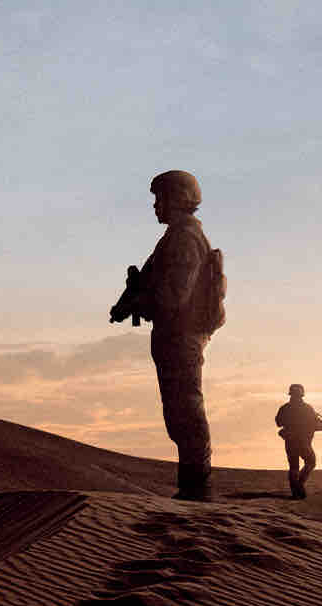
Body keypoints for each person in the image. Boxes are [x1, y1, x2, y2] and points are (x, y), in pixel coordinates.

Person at [110, 170, 217, 501]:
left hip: (182, 336)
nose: (156, 206)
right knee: (178, 411)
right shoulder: (175, 237)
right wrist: (129, 302)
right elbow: (152, 283)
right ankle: (193, 486)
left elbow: (173, 296)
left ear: (179, 199)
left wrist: (139, 302)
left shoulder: (185, 238)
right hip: (174, 335)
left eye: (161, 198)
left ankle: (197, 488)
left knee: (186, 410)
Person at [275, 384, 322, 499]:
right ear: (302, 394)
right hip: (303, 442)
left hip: (290, 441)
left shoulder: (285, 408)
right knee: (311, 462)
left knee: (294, 466)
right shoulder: (307, 408)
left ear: (290, 394)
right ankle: (299, 485)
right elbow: (314, 424)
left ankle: (295, 491)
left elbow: (278, 422)